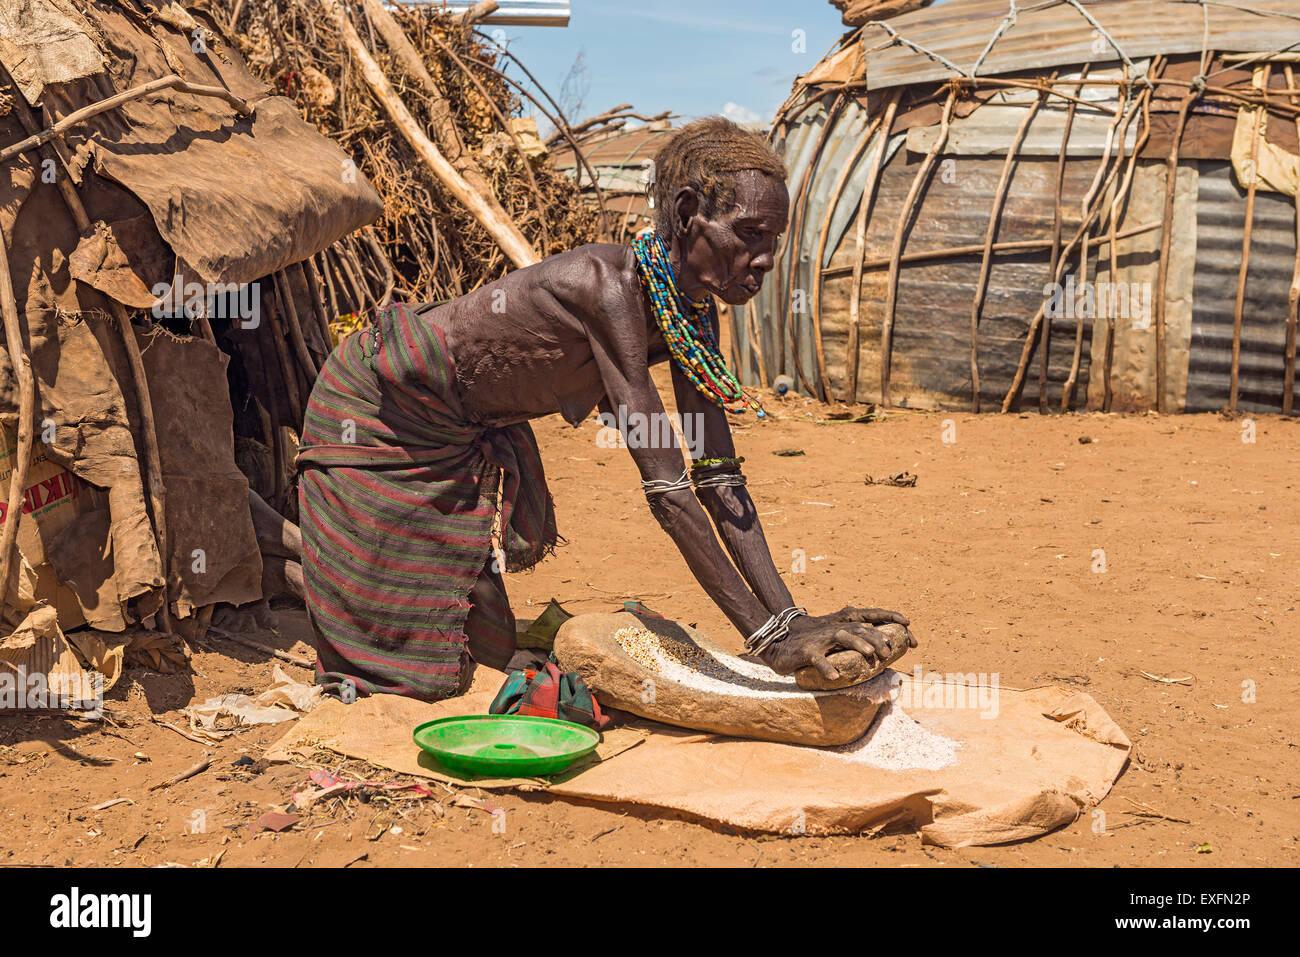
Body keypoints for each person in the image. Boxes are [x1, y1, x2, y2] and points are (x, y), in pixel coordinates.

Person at [296, 116, 913, 701]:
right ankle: (293, 580)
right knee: (391, 633)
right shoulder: (605, 288)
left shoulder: (690, 312)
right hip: (376, 400)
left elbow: (717, 473)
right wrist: (769, 641)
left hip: (459, 423)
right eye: (749, 235)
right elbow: (668, 486)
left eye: (774, 240)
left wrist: (789, 619)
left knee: (469, 633)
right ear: (687, 212)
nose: (766, 259)